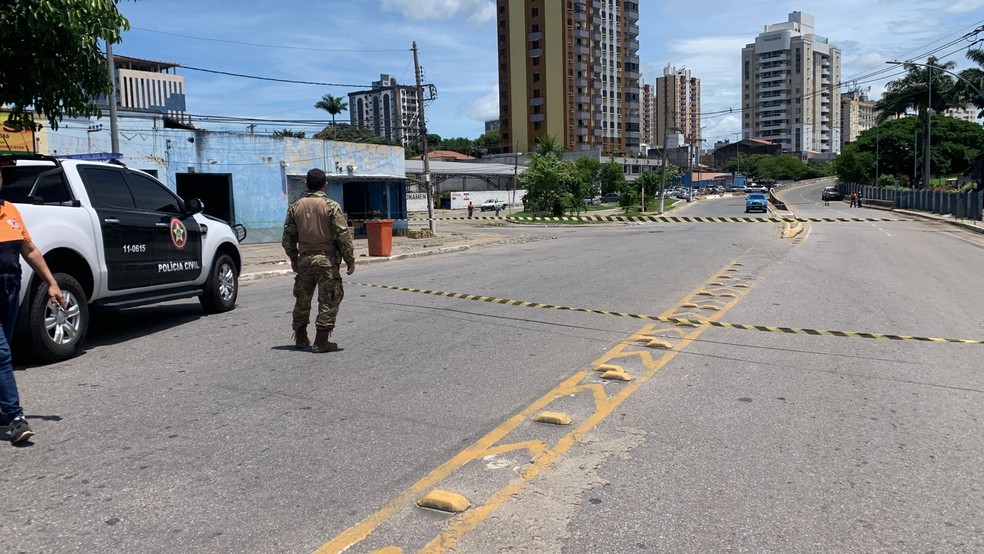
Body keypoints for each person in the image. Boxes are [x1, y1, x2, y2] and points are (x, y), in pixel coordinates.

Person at [1, 169, 66, 443]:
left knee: (5, 345)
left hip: (9, 287)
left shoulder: (11, 211)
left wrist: (51, 282)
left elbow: (29, 249)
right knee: (1, 352)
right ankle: (15, 417)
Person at [282, 168, 355, 353]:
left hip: (305, 259)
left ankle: (300, 337)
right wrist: (350, 259)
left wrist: (293, 258)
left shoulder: (295, 206)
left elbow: (288, 237)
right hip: (327, 261)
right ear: (325, 184)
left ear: (306, 183)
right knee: (329, 299)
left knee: (302, 299)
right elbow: (343, 235)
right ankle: (321, 341)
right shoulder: (331, 206)